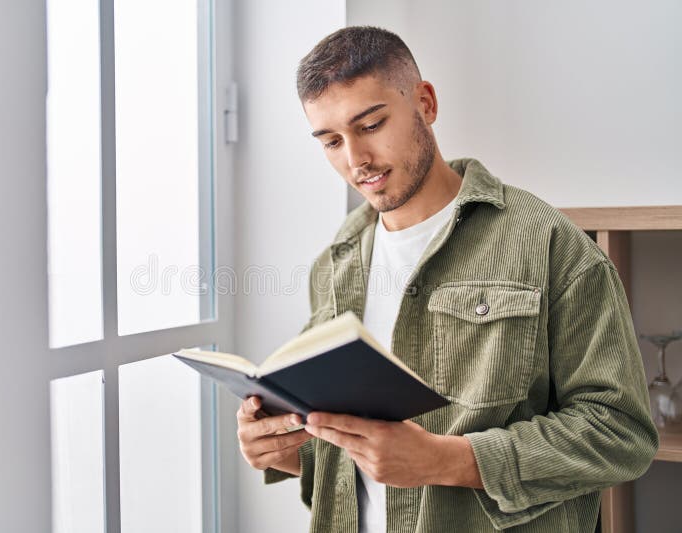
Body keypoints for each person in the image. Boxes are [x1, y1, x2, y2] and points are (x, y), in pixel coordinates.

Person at [235, 26, 658, 532]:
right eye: (330, 141)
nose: (354, 160)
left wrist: (447, 459)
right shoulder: (338, 258)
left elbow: (622, 433)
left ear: (425, 103)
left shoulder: (551, 246)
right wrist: (280, 448)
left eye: (370, 125)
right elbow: (355, 459)